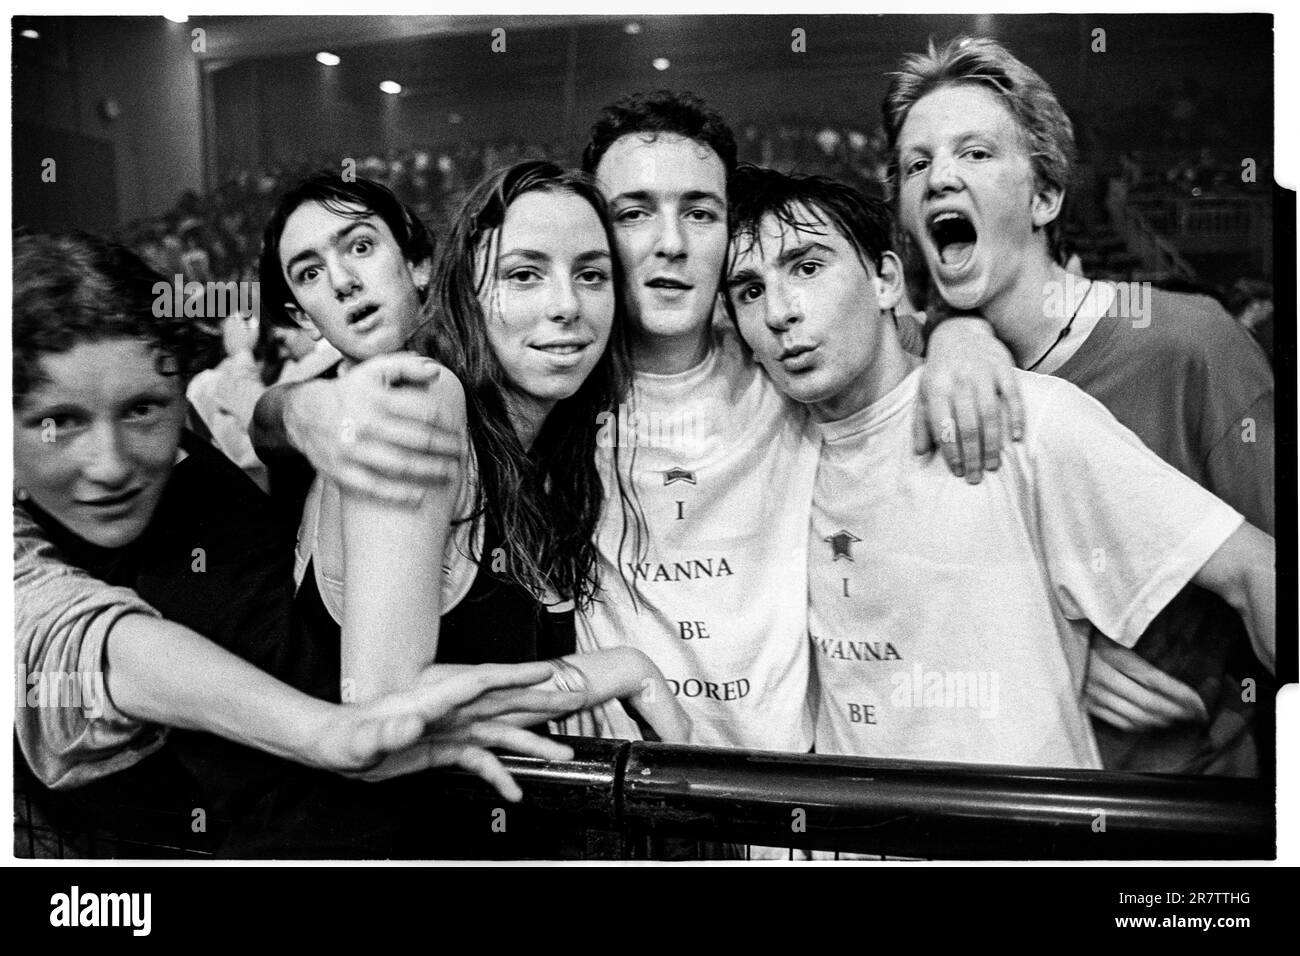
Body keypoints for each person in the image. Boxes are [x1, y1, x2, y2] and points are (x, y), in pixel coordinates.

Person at [249, 94, 1017, 757]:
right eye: (634, 214)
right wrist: (295, 406)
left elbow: (882, 347)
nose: (671, 243)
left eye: (700, 212)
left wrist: (961, 330)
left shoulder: (776, 354)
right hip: (574, 812)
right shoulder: (509, 397)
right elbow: (378, 699)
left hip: (774, 797)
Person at [13, 232, 592, 857]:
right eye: (60, 423)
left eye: (142, 410)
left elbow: (254, 412)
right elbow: (84, 636)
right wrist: (326, 733)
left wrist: (299, 409)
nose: (110, 465)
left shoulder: (194, 462)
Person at [722, 164, 1275, 768]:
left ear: (884, 280)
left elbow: (1257, 572)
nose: (779, 311)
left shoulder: (1027, 419)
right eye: (749, 289)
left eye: (807, 267)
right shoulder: (769, 451)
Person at [883, 36, 1277, 775]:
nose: (939, 178)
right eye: (917, 163)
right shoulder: (902, 368)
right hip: (1000, 805)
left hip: (1182, 815)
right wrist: (1054, 652)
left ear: (1046, 196)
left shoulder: (1188, 346)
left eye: (975, 154)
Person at [256, 166, 685, 737]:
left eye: (591, 275)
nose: (567, 305)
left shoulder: (546, 449)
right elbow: (386, 708)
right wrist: (622, 672)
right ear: (463, 289)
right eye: (525, 275)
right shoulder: (421, 399)